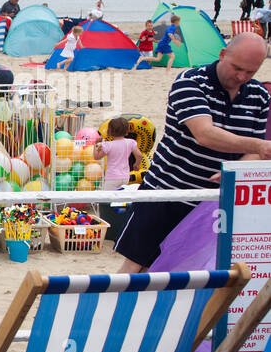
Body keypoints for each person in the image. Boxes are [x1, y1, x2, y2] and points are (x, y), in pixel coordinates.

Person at [114, 33, 271, 271]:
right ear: (222, 55)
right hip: (166, 193)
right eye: (237, 68)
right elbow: (205, 133)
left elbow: (255, 147)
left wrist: (235, 169)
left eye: (250, 72)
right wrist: (258, 147)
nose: (241, 77)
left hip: (212, 204)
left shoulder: (259, 96)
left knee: (191, 272)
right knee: (138, 269)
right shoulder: (190, 81)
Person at [93, 117, 143, 191]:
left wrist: (95, 145)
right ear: (126, 131)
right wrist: (136, 164)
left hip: (112, 177)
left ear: (110, 131)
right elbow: (139, 155)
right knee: (121, 197)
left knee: (107, 198)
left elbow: (96, 157)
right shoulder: (130, 142)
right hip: (125, 177)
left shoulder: (108, 145)